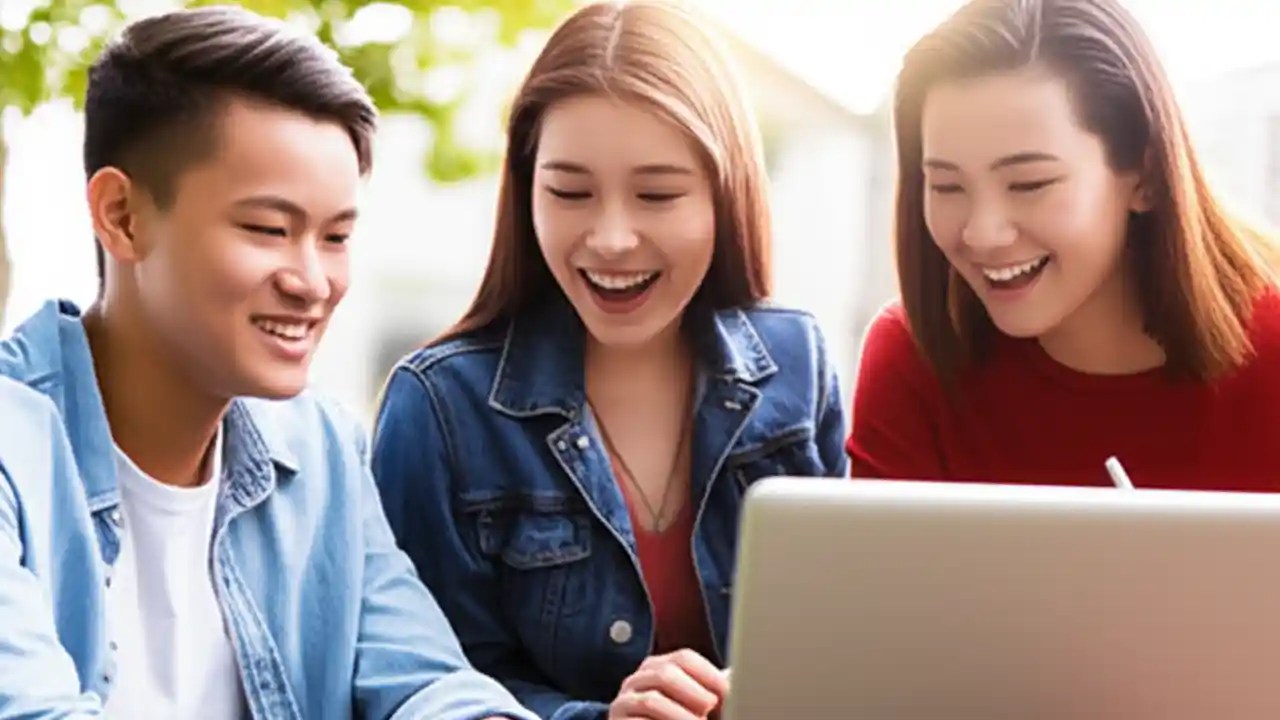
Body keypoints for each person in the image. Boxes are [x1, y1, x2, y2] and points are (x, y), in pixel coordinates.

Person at [0, 7, 534, 719]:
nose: (312, 282)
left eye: (336, 237)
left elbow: (426, 682)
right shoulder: (14, 450)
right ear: (122, 215)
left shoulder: (320, 450)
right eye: (268, 229)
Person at [371, 1, 849, 718]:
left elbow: (841, 630)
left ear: (723, 196)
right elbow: (417, 681)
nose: (612, 239)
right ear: (526, 192)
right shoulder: (439, 408)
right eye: (570, 192)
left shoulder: (796, 363)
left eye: (657, 194)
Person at [846, 0, 1280, 490]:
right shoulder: (913, 360)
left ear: (1148, 177)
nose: (982, 233)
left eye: (1029, 184)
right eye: (947, 186)